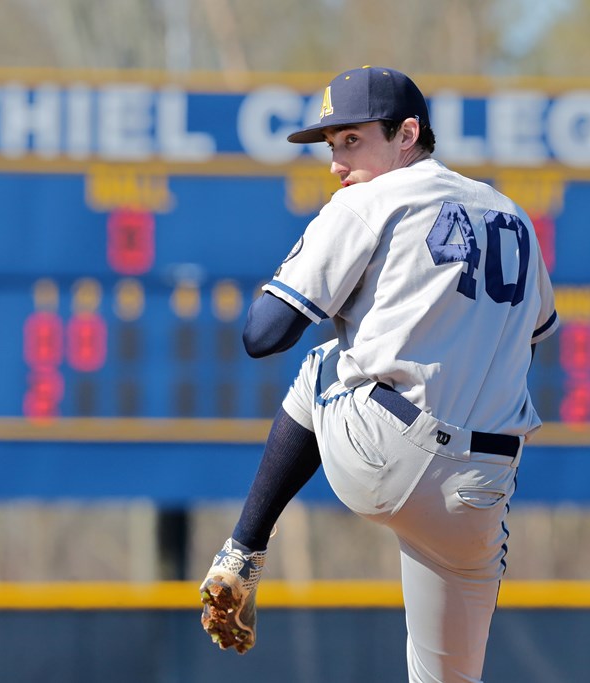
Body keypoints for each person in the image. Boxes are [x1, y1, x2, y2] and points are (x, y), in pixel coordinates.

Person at [198, 65, 559, 683]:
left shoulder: (368, 200)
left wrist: (325, 272)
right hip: (481, 489)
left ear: (407, 133)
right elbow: (538, 331)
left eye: (352, 140)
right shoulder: (513, 216)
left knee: (322, 364)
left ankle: (243, 549)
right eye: (332, 145)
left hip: (385, 452)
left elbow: (263, 334)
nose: (337, 162)